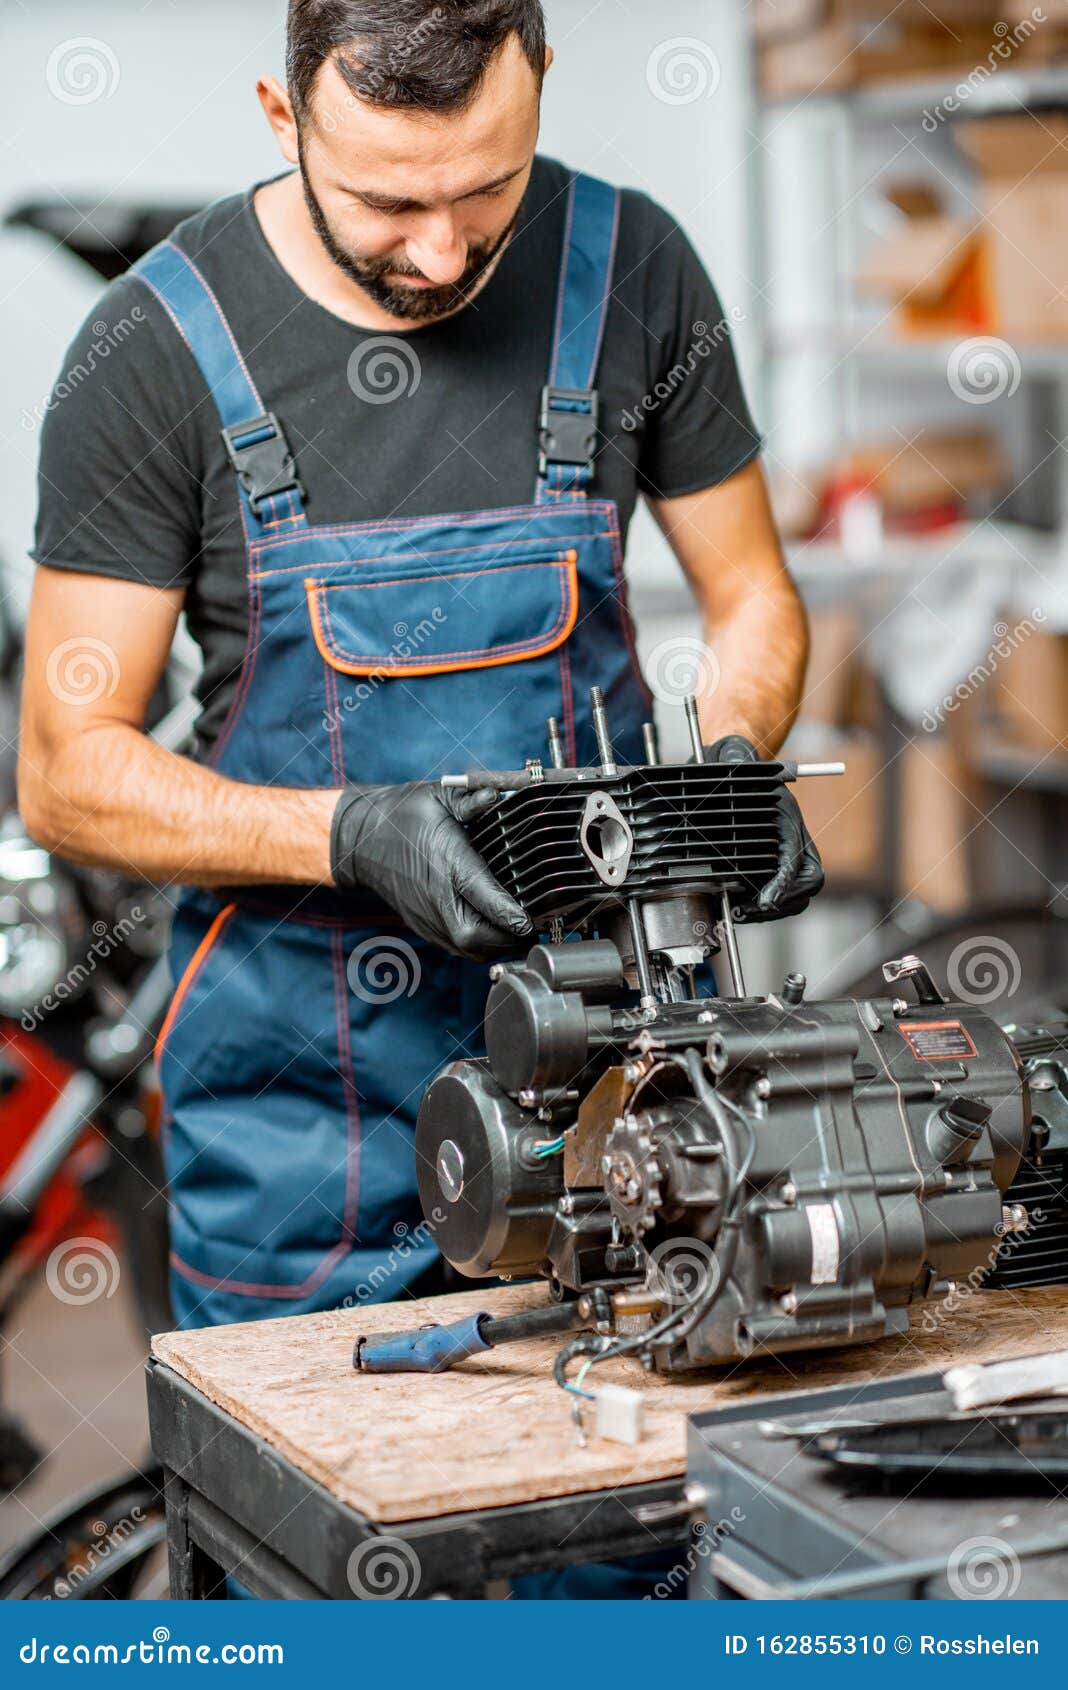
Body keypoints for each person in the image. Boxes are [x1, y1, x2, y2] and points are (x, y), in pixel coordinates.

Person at [20, 0, 820, 1596]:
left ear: (539, 90)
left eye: (487, 191)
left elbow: (750, 606)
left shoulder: (631, 268)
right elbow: (70, 769)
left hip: (612, 1107)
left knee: (615, 1568)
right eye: (390, 201)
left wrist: (725, 774)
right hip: (301, 1140)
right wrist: (343, 835)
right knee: (329, 1576)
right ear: (281, 110)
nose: (446, 255)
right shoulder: (155, 345)